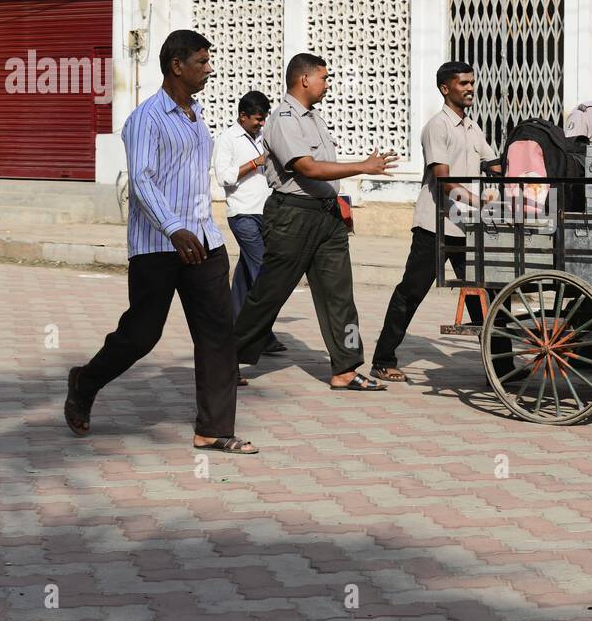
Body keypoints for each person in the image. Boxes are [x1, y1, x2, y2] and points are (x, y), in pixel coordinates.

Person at [64, 30, 257, 454]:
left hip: (203, 240)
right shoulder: (145, 119)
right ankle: (86, 381)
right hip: (157, 244)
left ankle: (213, 428)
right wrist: (173, 227)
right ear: (177, 65)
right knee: (141, 335)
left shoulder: (196, 115)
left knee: (217, 335)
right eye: (202, 62)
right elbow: (142, 180)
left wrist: (198, 229)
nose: (209, 68)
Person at [233, 52, 396, 391]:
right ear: (304, 79)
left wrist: (338, 205)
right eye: (323, 77)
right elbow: (306, 167)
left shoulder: (314, 117)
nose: (327, 84)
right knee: (269, 294)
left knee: (339, 294)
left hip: (326, 215)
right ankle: (224, 359)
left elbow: (323, 172)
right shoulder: (283, 118)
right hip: (293, 215)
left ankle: (346, 368)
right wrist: (362, 166)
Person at [370, 61, 501, 383]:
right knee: (411, 292)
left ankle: (500, 365)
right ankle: (382, 360)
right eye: (463, 84)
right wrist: (476, 200)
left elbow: (495, 164)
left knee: (482, 293)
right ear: (446, 88)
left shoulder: (472, 128)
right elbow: (442, 179)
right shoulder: (437, 127)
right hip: (436, 225)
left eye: (472, 82)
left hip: (467, 225)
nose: (470, 88)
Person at [212, 90, 288, 354]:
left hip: (266, 212)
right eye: (257, 119)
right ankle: (256, 336)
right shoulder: (227, 139)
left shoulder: (264, 137)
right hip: (242, 214)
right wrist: (255, 163)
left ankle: (234, 328)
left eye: (264, 118)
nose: (261, 123)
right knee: (263, 275)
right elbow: (224, 177)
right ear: (242, 116)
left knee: (246, 275)